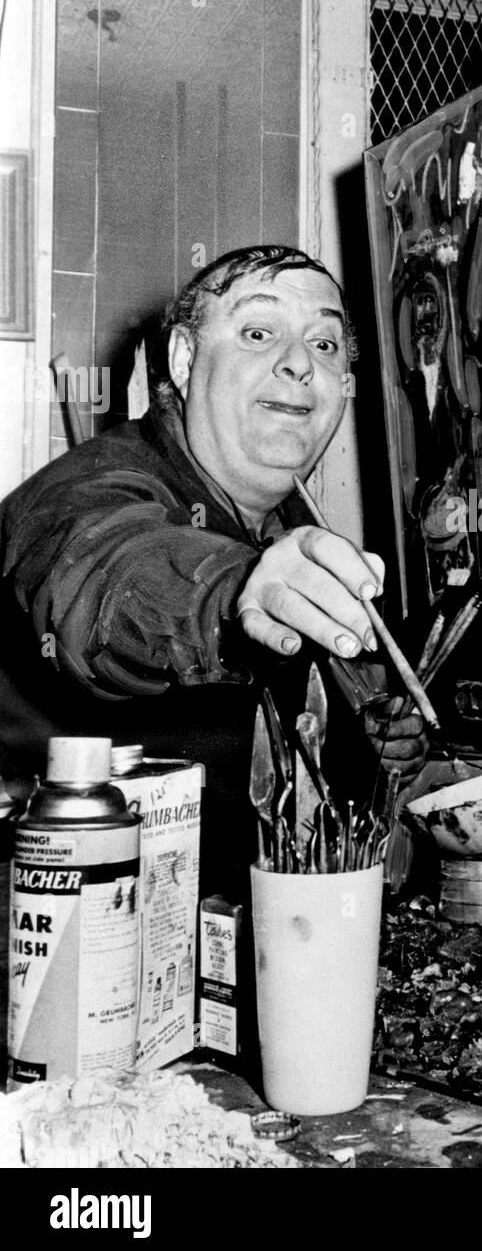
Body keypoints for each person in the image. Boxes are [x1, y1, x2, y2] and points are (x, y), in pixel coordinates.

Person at [0, 246, 426, 895]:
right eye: (259, 333)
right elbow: (109, 575)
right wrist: (230, 596)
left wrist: (370, 735)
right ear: (184, 358)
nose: (299, 363)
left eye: (326, 343)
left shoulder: (289, 527)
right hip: (66, 945)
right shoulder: (86, 491)